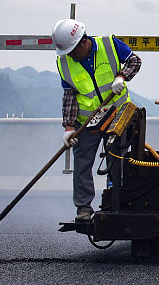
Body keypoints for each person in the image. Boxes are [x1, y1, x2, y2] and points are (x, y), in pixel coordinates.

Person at [51, 18, 141, 221]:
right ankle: (83, 208)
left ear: (83, 42)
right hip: (87, 121)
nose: (70, 55)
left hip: (117, 116)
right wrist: (69, 127)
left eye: (72, 51)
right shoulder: (64, 62)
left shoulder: (109, 45)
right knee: (82, 164)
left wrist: (122, 76)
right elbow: (69, 96)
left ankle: (116, 201)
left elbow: (135, 61)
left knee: (116, 160)